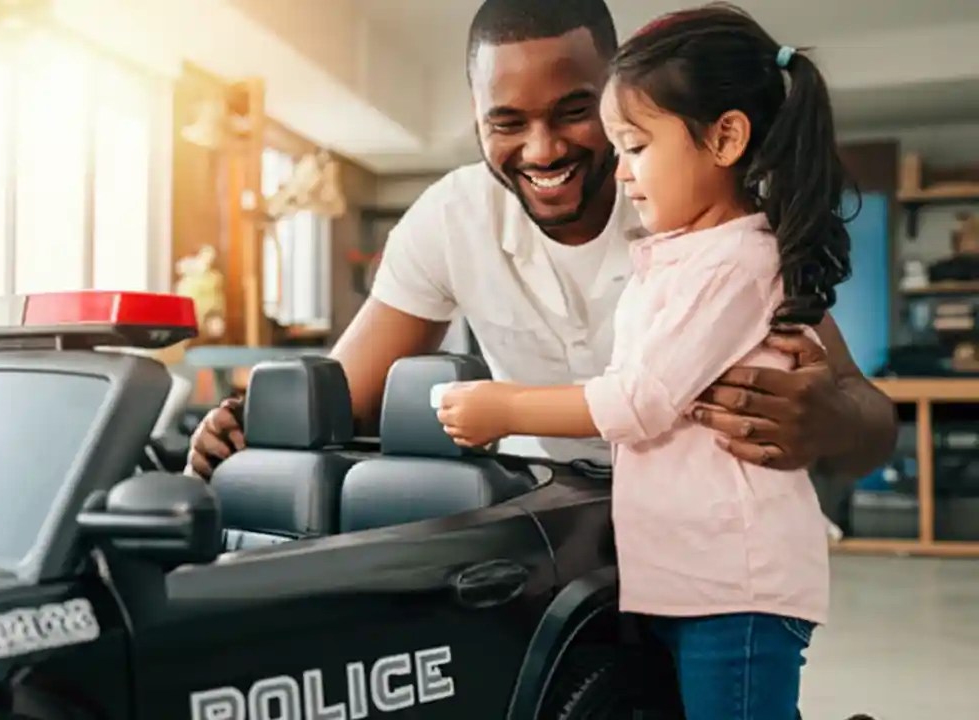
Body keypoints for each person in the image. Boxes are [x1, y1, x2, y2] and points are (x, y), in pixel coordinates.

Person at [186, 0, 894, 492]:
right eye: (507, 121)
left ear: (620, 97)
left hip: (704, 529)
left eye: (575, 111)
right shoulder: (451, 218)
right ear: (475, 119)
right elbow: (347, 393)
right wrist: (254, 427)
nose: (543, 149)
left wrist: (833, 421)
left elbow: (870, 421)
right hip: (548, 521)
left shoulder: (712, 217)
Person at [433, 4, 847, 718]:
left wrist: (507, 406)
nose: (621, 173)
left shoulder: (738, 262)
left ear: (724, 138)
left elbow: (637, 402)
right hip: (687, 578)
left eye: (635, 146)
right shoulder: (683, 257)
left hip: (734, 587)